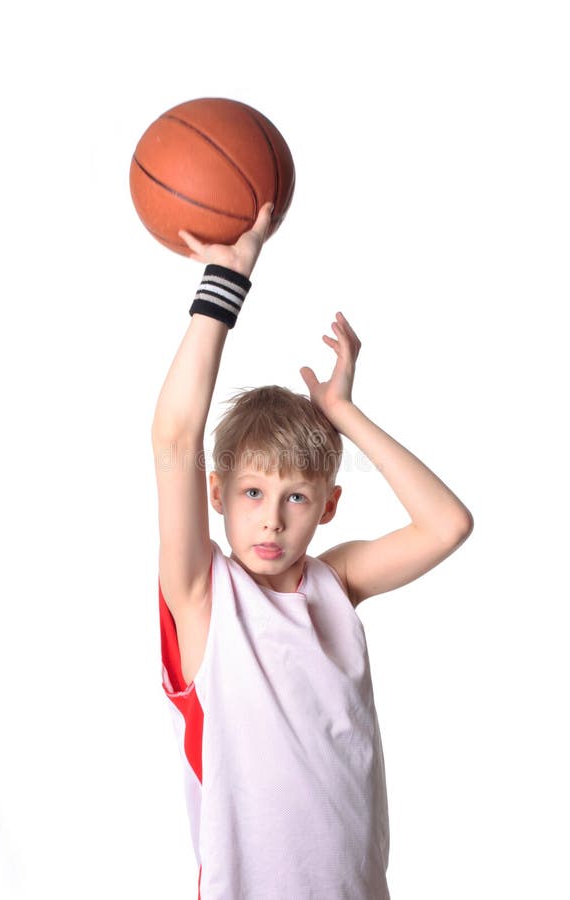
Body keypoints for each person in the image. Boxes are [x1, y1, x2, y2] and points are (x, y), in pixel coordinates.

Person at [151, 202, 473, 899]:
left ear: (327, 507)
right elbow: (175, 437)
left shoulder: (336, 583)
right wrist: (224, 283)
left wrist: (344, 417)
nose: (271, 521)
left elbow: (447, 525)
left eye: (296, 497)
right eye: (252, 494)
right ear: (217, 494)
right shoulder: (205, 599)